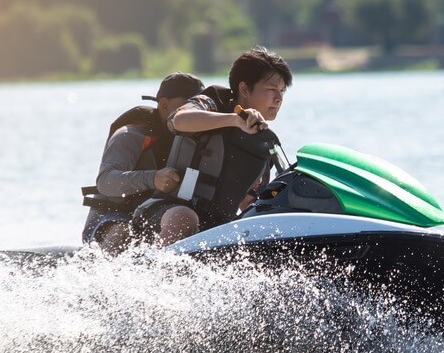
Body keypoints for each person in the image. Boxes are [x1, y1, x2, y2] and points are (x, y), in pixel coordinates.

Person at [131, 47, 292, 241]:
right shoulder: (212, 101)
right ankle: (158, 270)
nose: (279, 99)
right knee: (185, 219)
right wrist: (235, 120)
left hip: (216, 227)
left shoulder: (265, 141)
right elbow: (178, 120)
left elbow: (250, 202)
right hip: (166, 211)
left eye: (282, 91)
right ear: (244, 89)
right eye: (271, 89)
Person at [81, 71, 204, 254]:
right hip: (112, 215)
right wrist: (153, 178)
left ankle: (160, 269)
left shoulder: (196, 138)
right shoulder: (130, 135)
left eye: (198, 107)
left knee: (186, 219)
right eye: (188, 106)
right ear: (163, 105)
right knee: (122, 233)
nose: (193, 112)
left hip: (154, 213)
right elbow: (106, 182)